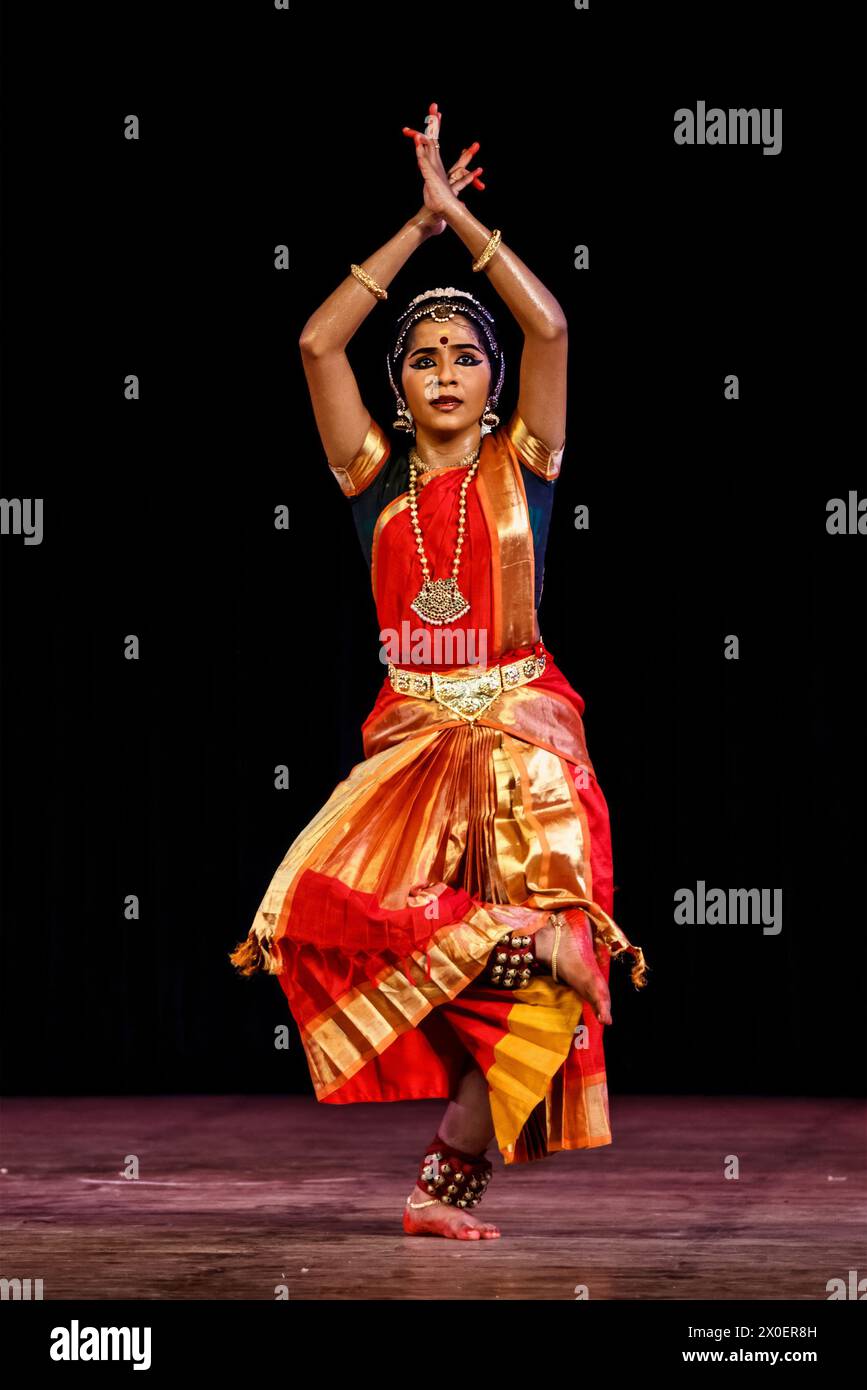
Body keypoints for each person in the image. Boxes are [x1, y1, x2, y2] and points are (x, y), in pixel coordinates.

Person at [230, 104, 649, 1241]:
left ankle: (442, 1188)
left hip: (523, 739)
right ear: (401, 387)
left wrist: (463, 221)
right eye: (423, 359)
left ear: (494, 381)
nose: (446, 370)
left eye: (467, 355)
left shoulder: (530, 463)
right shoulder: (372, 480)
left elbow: (553, 328)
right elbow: (318, 346)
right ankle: (524, 941)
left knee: (557, 1001)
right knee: (321, 912)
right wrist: (412, 233)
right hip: (411, 739)